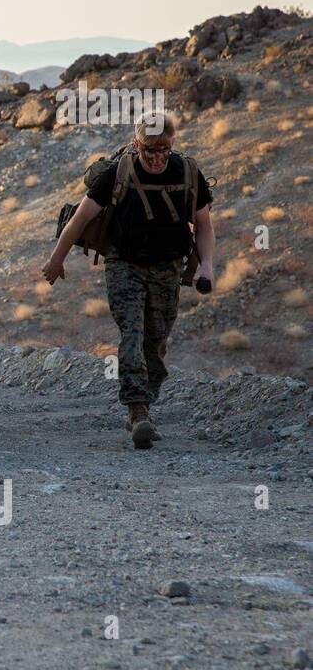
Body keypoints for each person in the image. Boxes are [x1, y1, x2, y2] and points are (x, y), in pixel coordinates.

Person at [43, 112, 213, 448]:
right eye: (149, 149)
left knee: (157, 338)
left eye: (163, 149)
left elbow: (205, 226)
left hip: (168, 267)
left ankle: (145, 402)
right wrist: (55, 260)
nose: (156, 157)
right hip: (125, 264)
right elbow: (78, 220)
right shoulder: (116, 173)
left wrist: (206, 266)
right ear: (137, 145)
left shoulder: (189, 172)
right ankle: (137, 411)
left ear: (173, 144)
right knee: (132, 333)